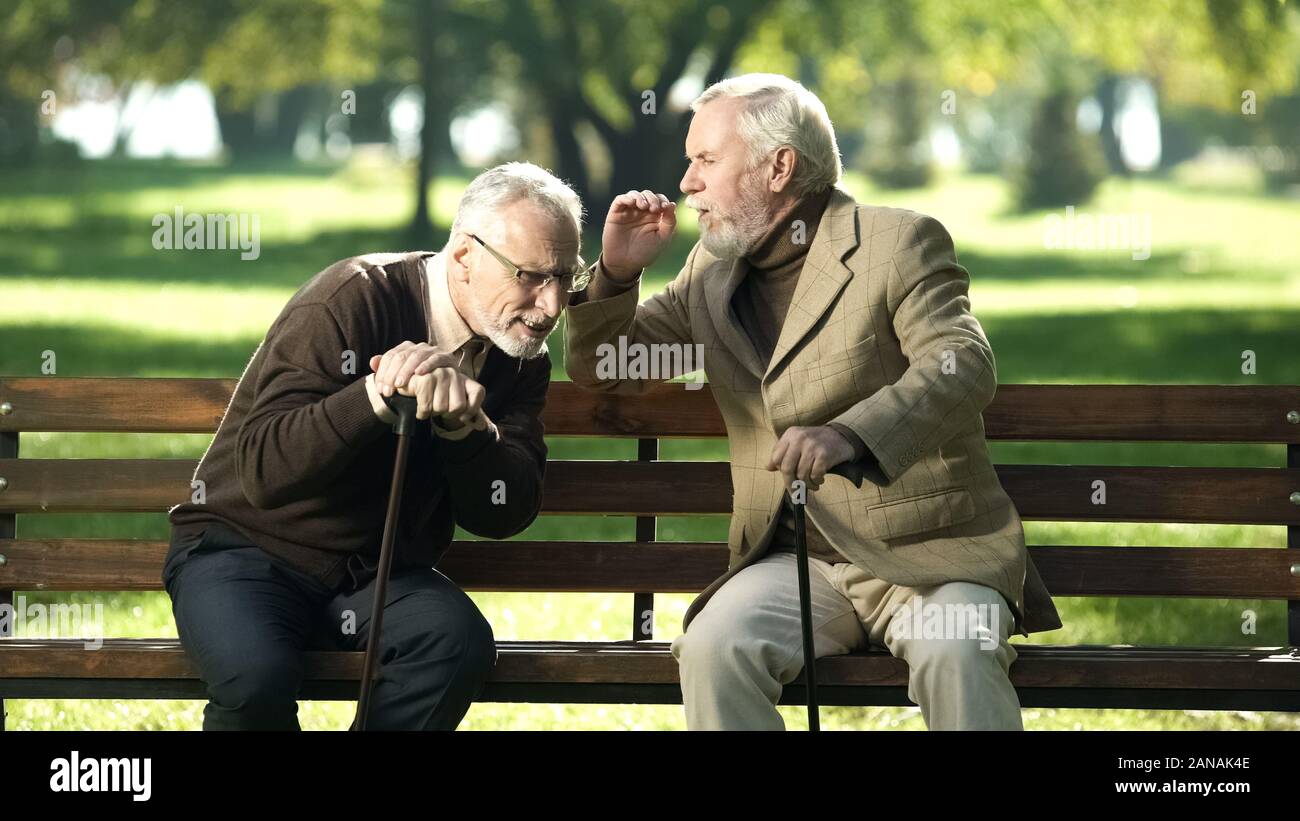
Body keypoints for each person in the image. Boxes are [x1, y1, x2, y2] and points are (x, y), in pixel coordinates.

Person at [565, 74, 1062, 730]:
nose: (687, 182)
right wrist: (617, 274)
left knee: (956, 653)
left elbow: (962, 364)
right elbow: (605, 369)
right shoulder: (709, 273)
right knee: (714, 647)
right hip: (792, 566)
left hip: (929, 560)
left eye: (706, 161)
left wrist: (850, 436)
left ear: (779, 166)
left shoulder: (898, 243)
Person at [165, 162, 590, 730]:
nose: (552, 306)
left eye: (566, 277)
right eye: (531, 276)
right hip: (243, 553)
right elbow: (263, 470)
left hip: (373, 576)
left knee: (453, 642)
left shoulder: (518, 354)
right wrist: (374, 397)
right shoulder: (351, 299)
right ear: (464, 255)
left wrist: (468, 432)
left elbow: (503, 512)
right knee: (254, 679)